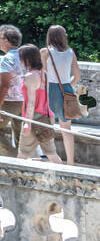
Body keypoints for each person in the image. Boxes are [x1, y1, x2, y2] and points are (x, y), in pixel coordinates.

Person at [16, 44, 63, 164]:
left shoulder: (31, 76)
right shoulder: (44, 73)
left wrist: (28, 123)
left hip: (34, 119)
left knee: (22, 154)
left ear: (27, 59)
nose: (19, 60)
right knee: (51, 153)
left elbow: (31, 102)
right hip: (46, 117)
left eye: (20, 57)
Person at [44, 25, 82, 165]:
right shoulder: (71, 52)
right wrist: (66, 87)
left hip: (50, 90)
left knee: (44, 126)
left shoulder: (46, 52)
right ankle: (70, 162)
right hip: (66, 89)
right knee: (67, 129)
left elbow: (42, 75)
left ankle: (50, 158)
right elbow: (77, 76)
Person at [0, 24, 23, 155]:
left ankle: (13, 158)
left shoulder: (8, 59)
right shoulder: (25, 55)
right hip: (24, 101)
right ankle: (27, 159)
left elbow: (4, 84)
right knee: (21, 134)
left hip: (9, 101)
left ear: (6, 40)